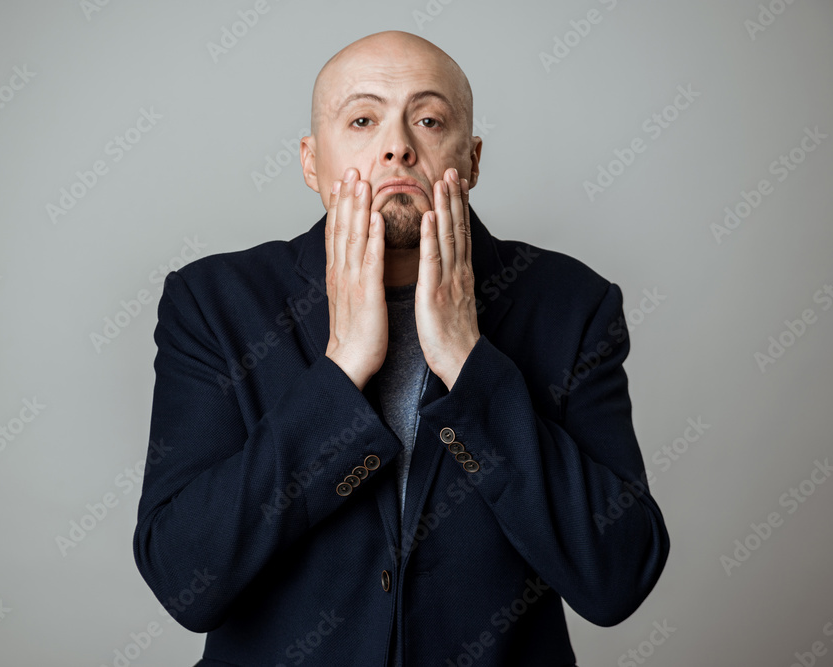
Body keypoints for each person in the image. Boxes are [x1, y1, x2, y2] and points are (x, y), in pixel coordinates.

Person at [133, 29, 670, 667]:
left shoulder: (573, 305)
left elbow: (617, 577)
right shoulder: (215, 303)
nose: (397, 148)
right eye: (362, 119)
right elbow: (184, 577)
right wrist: (340, 371)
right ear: (312, 162)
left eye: (428, 119)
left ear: (470, 159)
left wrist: (472, 366)